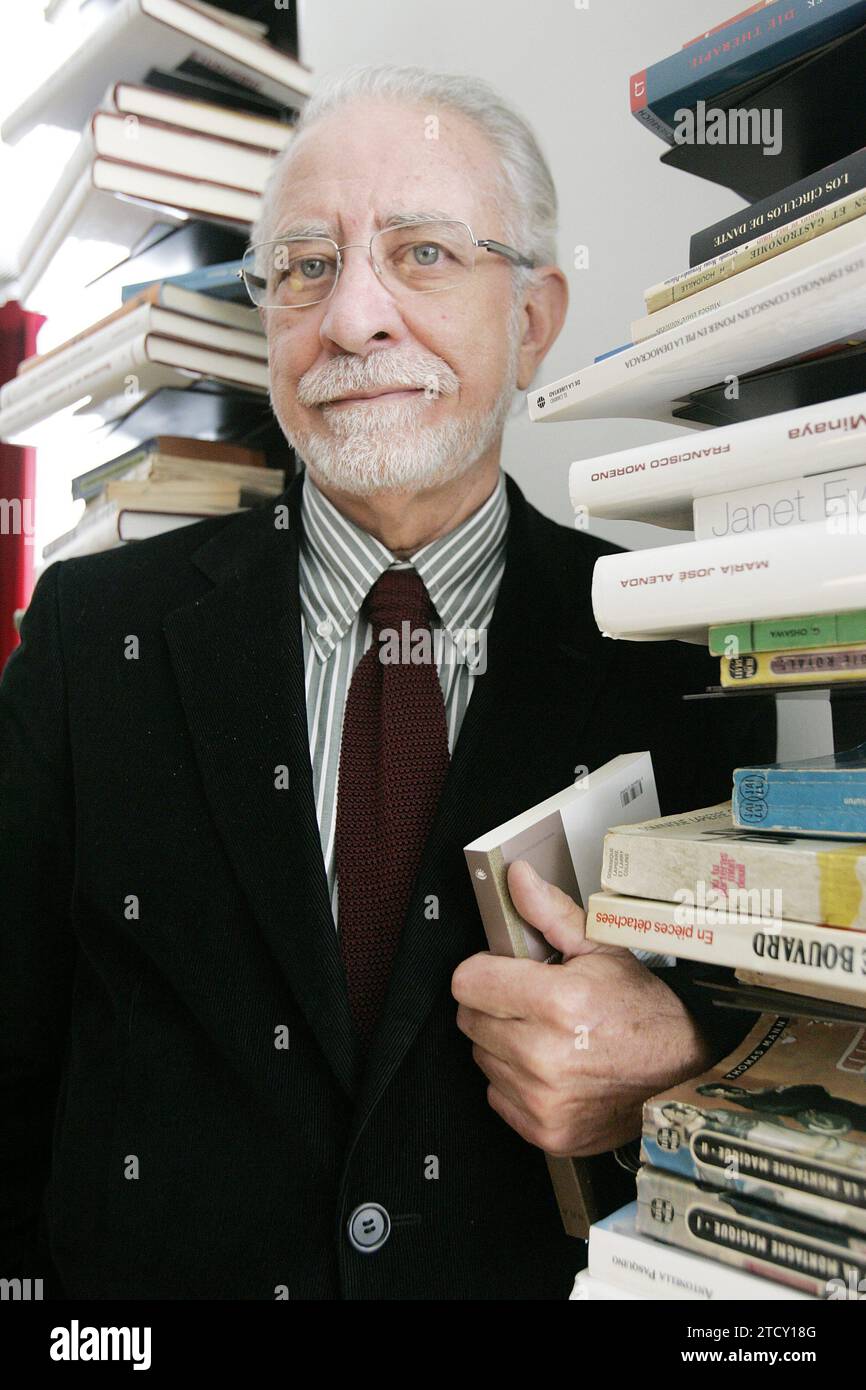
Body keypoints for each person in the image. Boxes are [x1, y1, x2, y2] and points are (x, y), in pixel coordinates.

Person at [0, 65, 773, 1300]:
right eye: (306, 266)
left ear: (530, 318)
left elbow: (817, 1023)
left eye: (419, 253)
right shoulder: (96, 640)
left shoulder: (687, 653)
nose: (352, 316)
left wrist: (686, 1056)